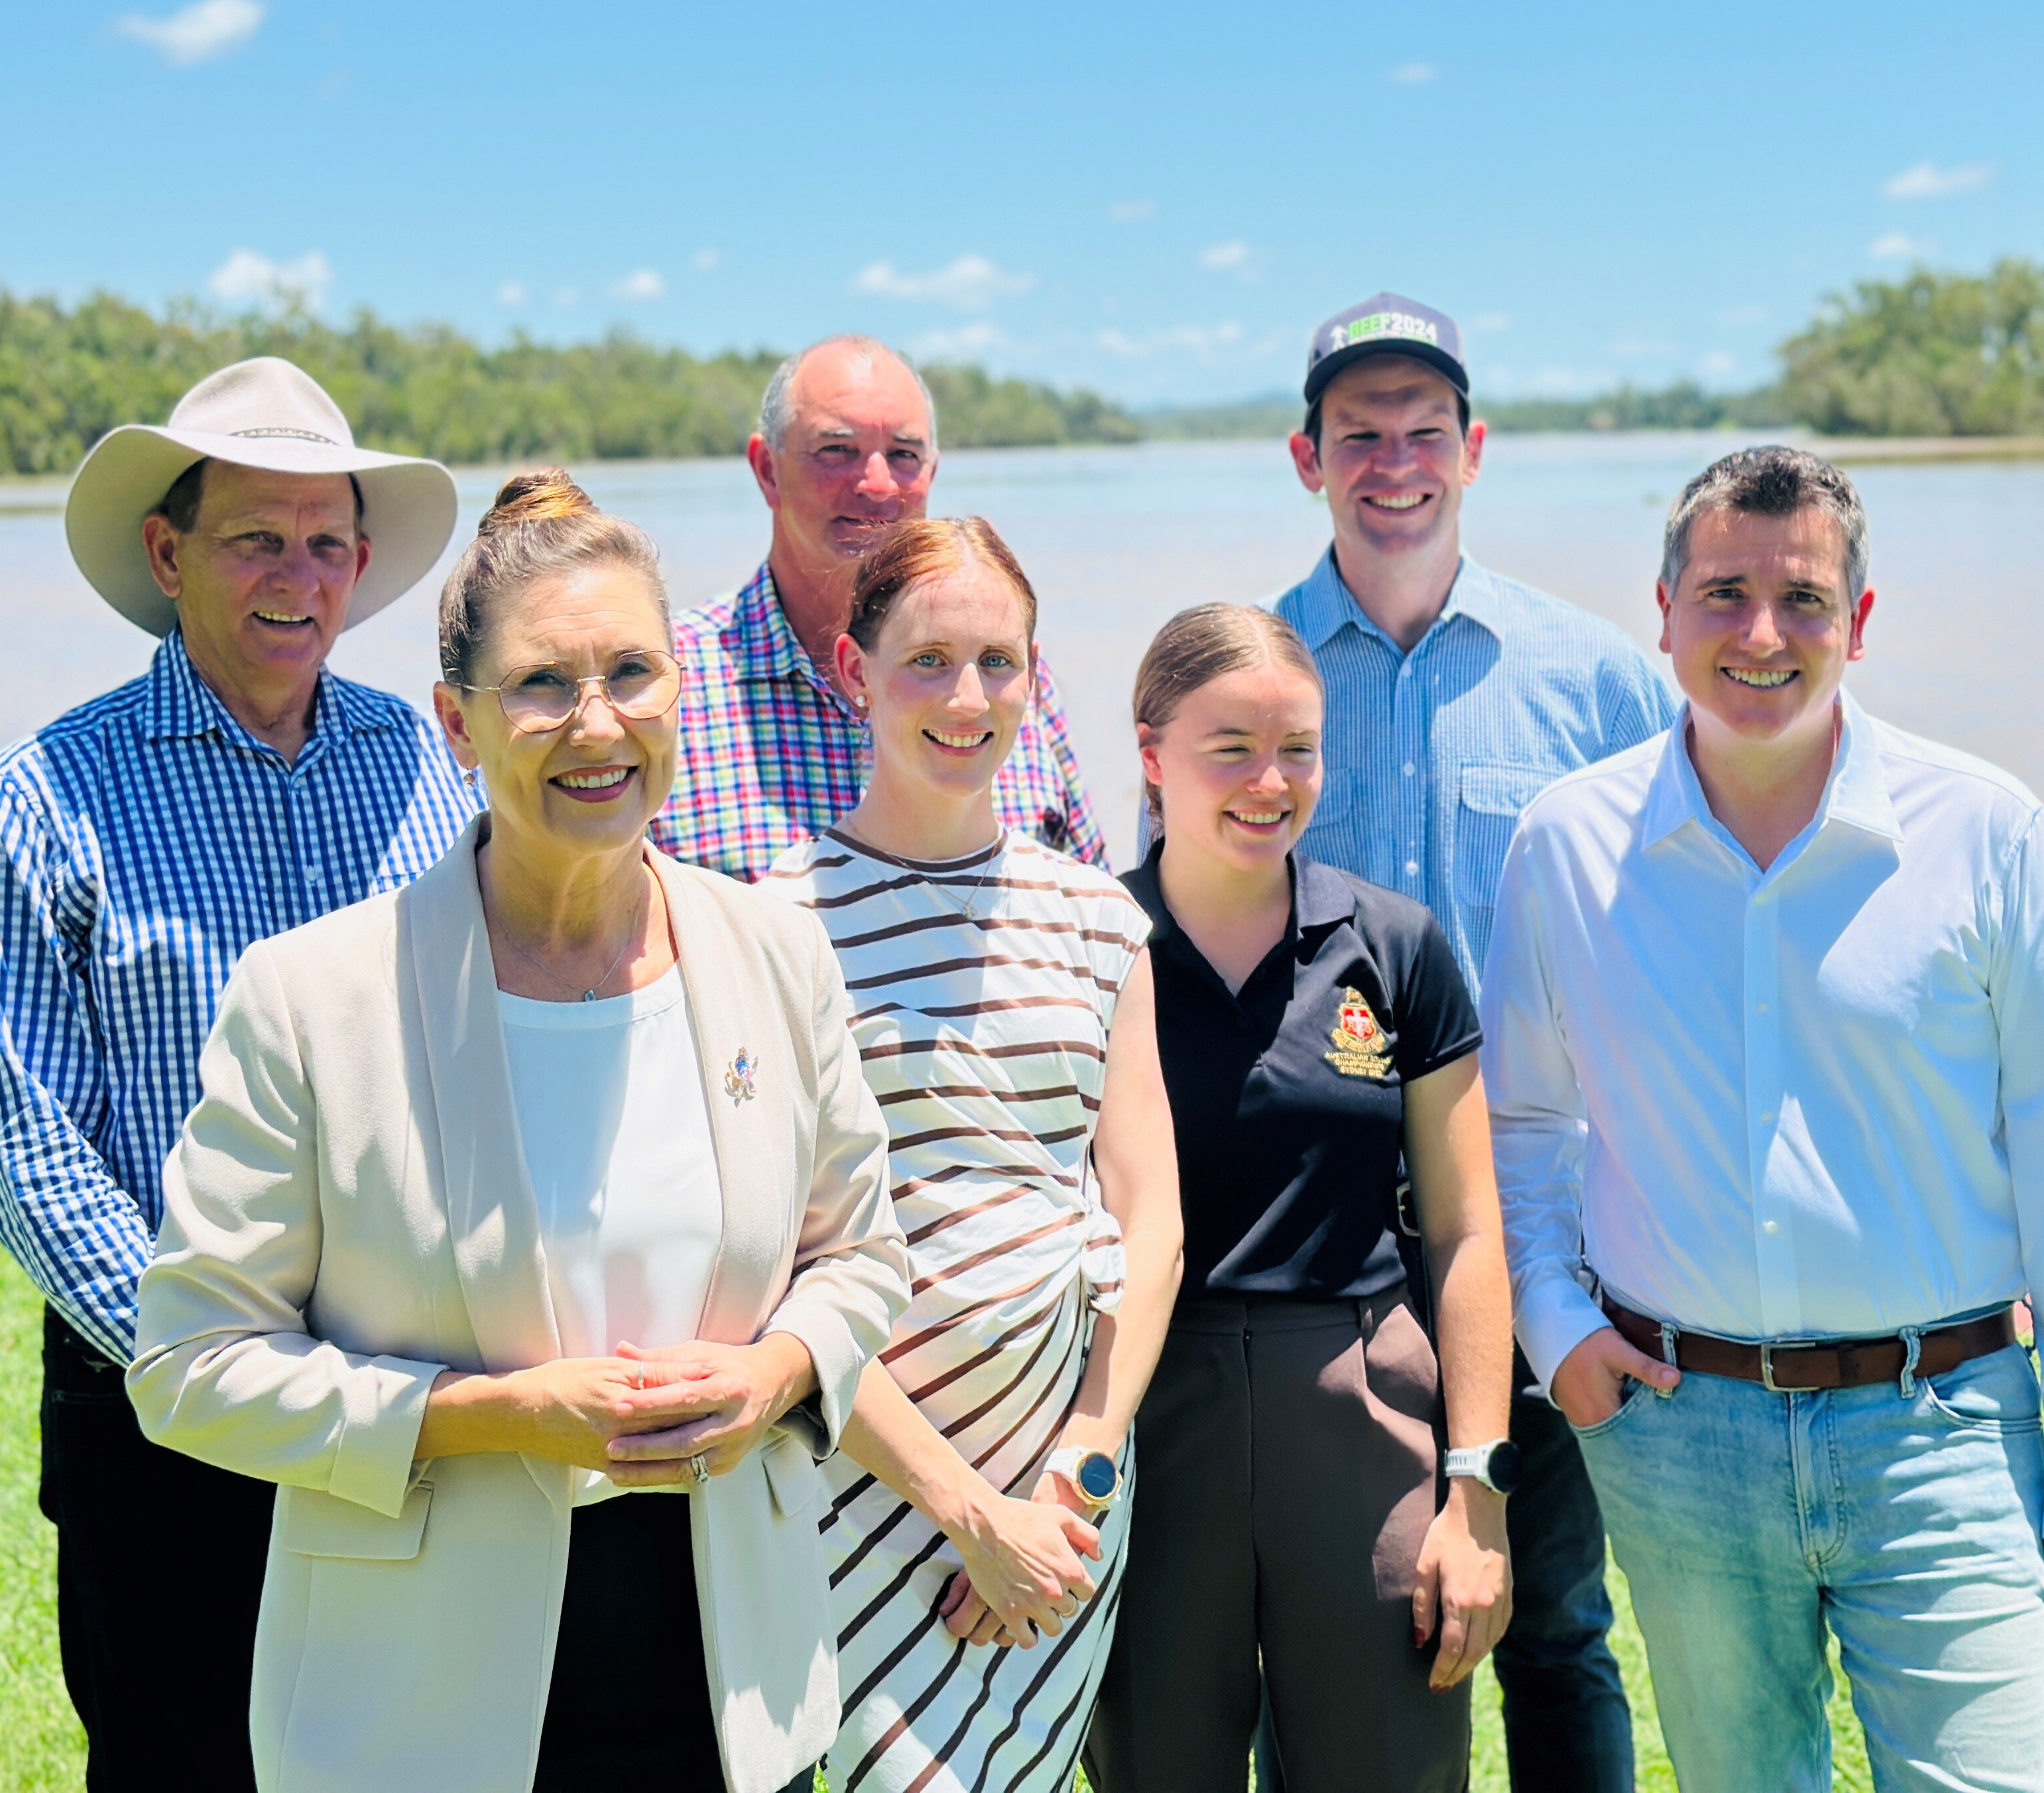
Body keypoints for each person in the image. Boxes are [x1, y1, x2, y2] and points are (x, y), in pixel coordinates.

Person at [128, 469, 911, 1792]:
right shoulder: (312, 998)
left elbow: (864, 1261)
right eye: (545, 685)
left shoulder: (778, 956)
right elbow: (189, 1366)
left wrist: (774, 1379)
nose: (597, 723)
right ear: (456, 725)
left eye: (632, 672)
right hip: (417, 1707)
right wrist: (491, 1416)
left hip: (733, 1687)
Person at [1482, 446, 2044, 1793]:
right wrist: (1556, 1328)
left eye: (1802, 600)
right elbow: (1524, 1128)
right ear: (1665, 611)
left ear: (1857, 622)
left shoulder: (1990, 835)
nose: (1761, 635)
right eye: (1725, 592)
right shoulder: (1566, 843)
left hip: (1943, 1427)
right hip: (1678, 1438)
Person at [0, 357, 479, 1790]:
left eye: (326, 543)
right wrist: (222, 1368)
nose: (297, 578)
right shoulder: (44, 801)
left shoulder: (431, 771)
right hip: (158, 1418)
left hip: (417, 1379)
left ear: (363, 565)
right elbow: (26, 1156)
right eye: (256, 539)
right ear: (168, 554)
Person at [1269, 292, 1673, 1789]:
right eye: (1358, 434)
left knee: (1561, 1623)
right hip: (1318, 1246)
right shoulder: (1249, 679)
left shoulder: (1599, 680)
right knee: (1334, 1616)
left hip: (1541, 1228)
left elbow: (1669, 947)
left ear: (1475, 448)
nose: (1394, 462)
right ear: (1305, 457)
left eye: (1423, 431)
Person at [764, 517, 1182, 1793]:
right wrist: (964, 1510)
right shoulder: (772, 925)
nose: (967, 696)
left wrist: (1081, 1469)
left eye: (999, 661)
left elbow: (1146, 1213)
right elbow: (777, 1260)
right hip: (861, 1486)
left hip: (1063, 1488)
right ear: (852, 670)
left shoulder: (1101, 917)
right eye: (928, 659)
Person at [1085, 603, 1514, 1793]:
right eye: (1230, 746)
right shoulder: (1089, 949)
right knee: (1153, 1763)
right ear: (1149, 748)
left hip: (1363, 1406)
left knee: (1389, 1763)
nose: (1270, 782)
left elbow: (1470, 1228)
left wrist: (1475, 1488)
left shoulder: (1395, 944)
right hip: (1153, 1408)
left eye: (1299, 748)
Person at [651, 334, 1106, 879]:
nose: (876, 483)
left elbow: (1094, 904)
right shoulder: (665, 683)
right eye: (837, 450)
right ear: (767, 470)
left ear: (931, 474)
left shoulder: (1002, 678)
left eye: (904, 455)